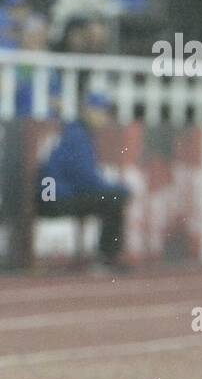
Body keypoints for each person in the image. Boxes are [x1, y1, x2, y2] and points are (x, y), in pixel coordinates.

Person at [34, 91, 131, 271]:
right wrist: (119, 189)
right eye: (101, 111)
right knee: (115, 197)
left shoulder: (74, 132)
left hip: (52, 195)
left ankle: (105, 257)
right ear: (88, 111)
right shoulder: (77, 135)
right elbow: (85, 179)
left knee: (113, 196)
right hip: (54, 198)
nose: (105, 118)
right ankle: (107, 258)